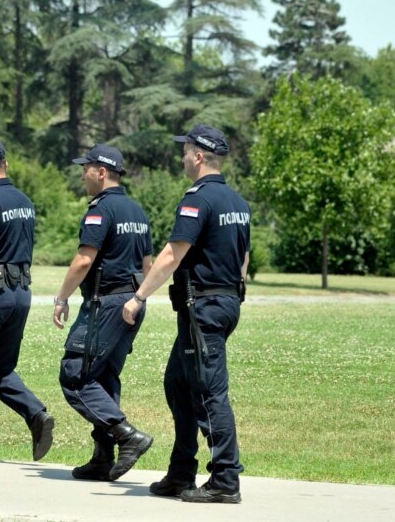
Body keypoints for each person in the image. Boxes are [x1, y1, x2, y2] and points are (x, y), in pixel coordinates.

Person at [120, 125, 250, 504]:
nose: (181, 158)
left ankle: (225, 479)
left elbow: (173, 254)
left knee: (210, 393)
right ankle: (181, 473)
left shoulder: (198, 199)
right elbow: (243, 257)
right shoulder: (237, 202)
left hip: (204, 310)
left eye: (184, 151)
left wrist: (139, 296)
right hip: (222, 304)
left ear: (197, 156)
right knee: (178, 383)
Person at [52, 144, 155, 482]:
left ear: (101, 171)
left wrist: (62, 297)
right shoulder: (137, 210)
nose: (82, 175)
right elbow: (148, 265)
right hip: (131, 302)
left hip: (105, 303)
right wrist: (139, 299)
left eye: (86, 169)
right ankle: (102, 456)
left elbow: (84, 260)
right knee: (104, 378)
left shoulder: (100, 209)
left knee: (75, 375)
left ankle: (127, 436)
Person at [0, 139, 55, 464]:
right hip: (21, 293)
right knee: (0, 368)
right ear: (5, 163)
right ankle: (35, 414)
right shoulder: (24, 199)